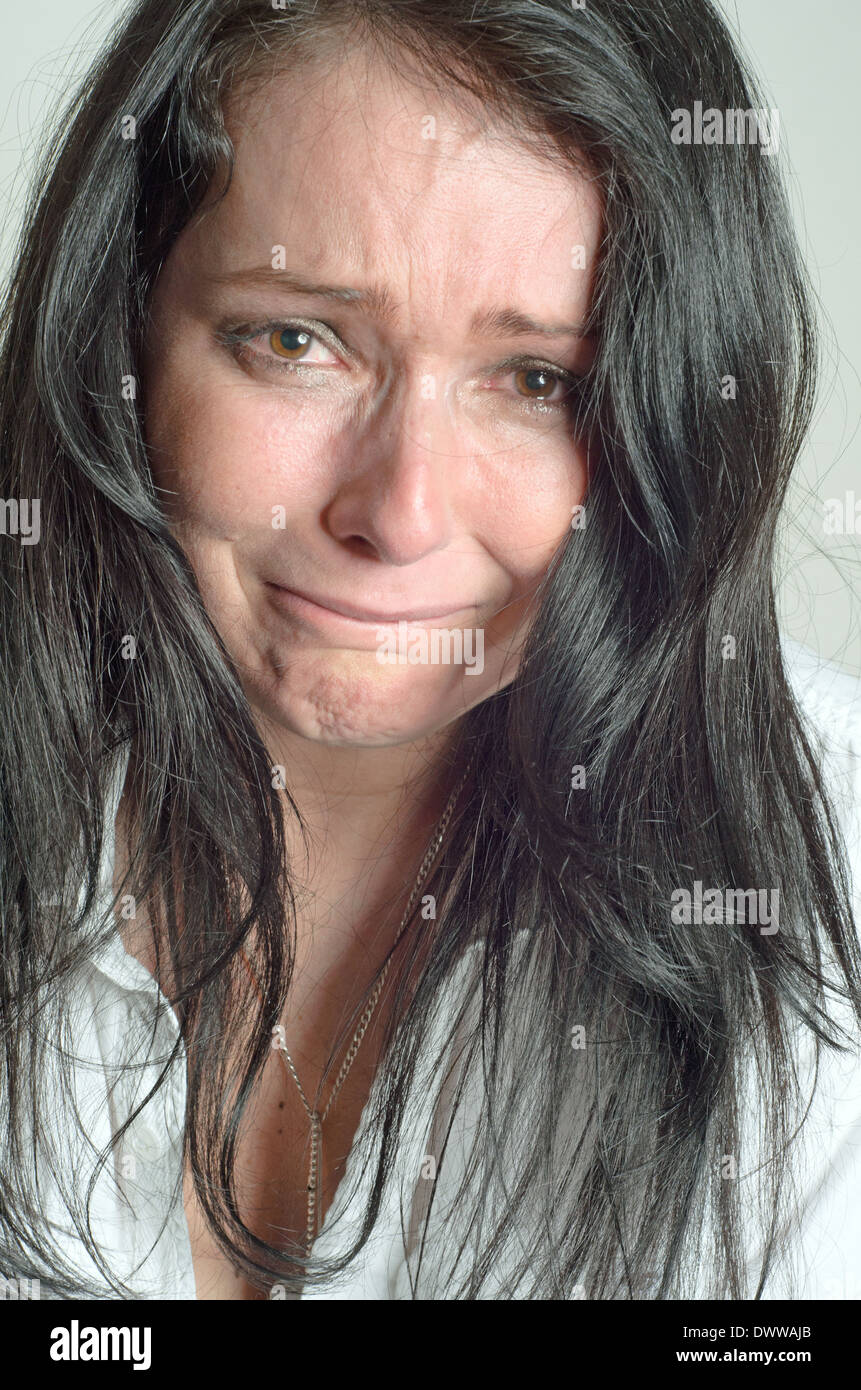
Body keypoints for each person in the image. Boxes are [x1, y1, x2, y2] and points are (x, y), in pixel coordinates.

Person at [1, 0, 860, 1301]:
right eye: (295, 341)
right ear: (117, 339)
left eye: (535, 380)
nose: (399, 512)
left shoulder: (835, 879)